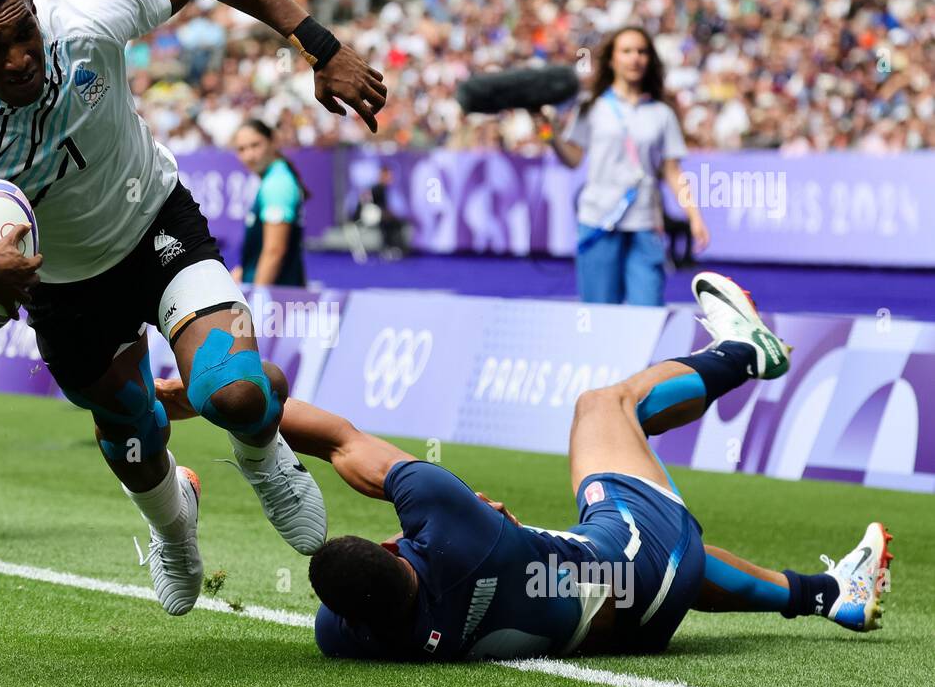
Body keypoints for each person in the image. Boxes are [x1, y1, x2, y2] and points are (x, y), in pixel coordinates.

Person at [0, 0, 387, 615]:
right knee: (133, 434)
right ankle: (175, 528)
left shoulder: (82, 10)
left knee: (238, 395)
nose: (19, 58)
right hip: (62, 288)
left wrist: (318, 44)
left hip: (157, 225)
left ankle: (263, 455)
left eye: (24, 32)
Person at [157, 271, 892, 661]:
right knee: (603, 406)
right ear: (392, 543)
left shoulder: (354, 639)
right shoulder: (450, 525)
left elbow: (364, 597)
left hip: (635, 624)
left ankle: (829, 594)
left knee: (646, 561)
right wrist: (228, 402)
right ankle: (745, 354)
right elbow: (343, 440)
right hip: (638, 560)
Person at [539, 26, 709, 307]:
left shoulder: (662, 113)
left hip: (645, 223)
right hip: (598, 221)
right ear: (611, 59)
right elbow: (573, 159)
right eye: (627, 51)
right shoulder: (590, 108)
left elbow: (672, 171)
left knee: (649, 313)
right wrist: (550, 135)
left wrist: (694, 215)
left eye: (642, 52)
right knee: (599, 315)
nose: (635, 58)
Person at [230, 119, 307, 287]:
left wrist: (256, 300)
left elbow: (274, 252)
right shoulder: (273, 178)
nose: (249, 155)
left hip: (277, 301)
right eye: (241, 149)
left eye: (255, 145)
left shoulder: (277, 183)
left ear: (272, 142)